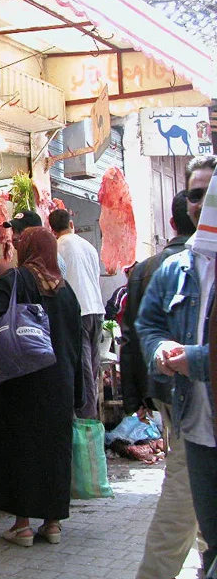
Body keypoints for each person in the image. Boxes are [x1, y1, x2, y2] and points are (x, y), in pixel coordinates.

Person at [0, 227, 83, 547]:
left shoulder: (16, 280)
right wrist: (76, 390)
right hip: (59, 384)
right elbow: (77, 343)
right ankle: (52, 524)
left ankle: (21, 526)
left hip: (21, 382)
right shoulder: (66, 292)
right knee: (52, 450)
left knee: (20, 446)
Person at [135, 155, 217, 576]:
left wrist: (195, 360)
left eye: (210, 193)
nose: (203, 203)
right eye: (196, 195)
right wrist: (161, 351)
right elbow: (146, 325)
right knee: (191, 517)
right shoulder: (174, 268)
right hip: (191, 420)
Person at [126, 188, 200, 579]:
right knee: (185, 492)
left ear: (171, 222)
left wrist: (139, 395)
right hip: (188, 397)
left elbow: (133, 335)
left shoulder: (148, 267)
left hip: (172, 394)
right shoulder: (179, 267)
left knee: (191, 492)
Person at [49, 208, 105, 419]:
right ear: (71, 224)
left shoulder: (57, 247)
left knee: (84, 371)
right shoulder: (88, 246)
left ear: (52, 229)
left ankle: (86, 424)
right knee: (93, 367)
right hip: (97, 310)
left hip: (78, 311)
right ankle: (91, 421)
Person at [3, 210, 67, 278]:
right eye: (13, 231)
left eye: (20, 231)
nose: (14, 237)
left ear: (36, 233)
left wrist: (9, 276)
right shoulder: (28, 256)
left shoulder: (51, 260)